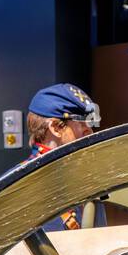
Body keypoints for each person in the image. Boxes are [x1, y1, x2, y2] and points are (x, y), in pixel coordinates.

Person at [25, 83, 103, 232]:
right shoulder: (22, 185)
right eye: (82, 123)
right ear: (56, 127)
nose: (90, 131)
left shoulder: (86, 177)